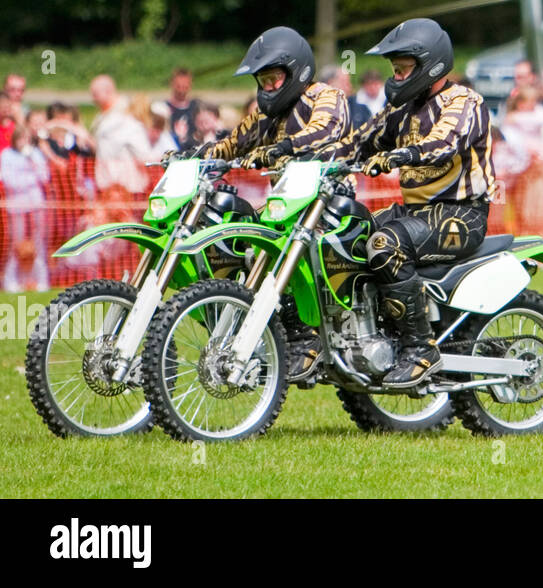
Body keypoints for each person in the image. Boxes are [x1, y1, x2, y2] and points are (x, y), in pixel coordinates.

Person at [318, 19, 494, 387]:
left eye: (403, 69)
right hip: (415, 212)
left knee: (384, 245)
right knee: (344, 236)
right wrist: (319, 159)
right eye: (393, 70)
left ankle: (420, 349)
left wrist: (399, 156)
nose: (395, 77)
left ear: (430, 65)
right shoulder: (401, 109)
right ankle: (364, 340)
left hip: (460, 214)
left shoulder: (464, 101)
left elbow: (446, 142)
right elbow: (360, 141)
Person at [203, 27, 351, 377]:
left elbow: (324, 130)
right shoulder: (264, 114)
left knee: (273, 252)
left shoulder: (325, 96)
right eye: (263, 80)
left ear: (296, 70)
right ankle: (288, 335)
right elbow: (232, 143)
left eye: (274, 78)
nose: (268, 87)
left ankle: (307, 338)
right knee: (243, 245)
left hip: (328, 206)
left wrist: (282, 148)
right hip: (286, 210)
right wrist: (197, 156)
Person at [1, 124, 51, 291]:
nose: (24, 142)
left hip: (35, 204)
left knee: (38, 243)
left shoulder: (35, 154)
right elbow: (8, 180)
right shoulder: (6, 155)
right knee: (16, 243)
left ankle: (42, 281)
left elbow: (44, 176)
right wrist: (29, 180)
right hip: (16, 205)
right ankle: (11, 282)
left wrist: (32, 160)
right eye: (21, 138)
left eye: (27, 139)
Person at [88, 74, 152, 197]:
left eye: (95, 94)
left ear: (108, 91)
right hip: (109, 186)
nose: (93, 99)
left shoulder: (125, 116)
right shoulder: (103, 116)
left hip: (128, 187)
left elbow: (143, 153)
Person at [165, 68, 197, 152]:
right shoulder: (164, 109)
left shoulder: (196, 108)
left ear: (190, 85)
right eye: (178, 86)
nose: (181, 90)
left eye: (185, 86)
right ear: (172, 84)